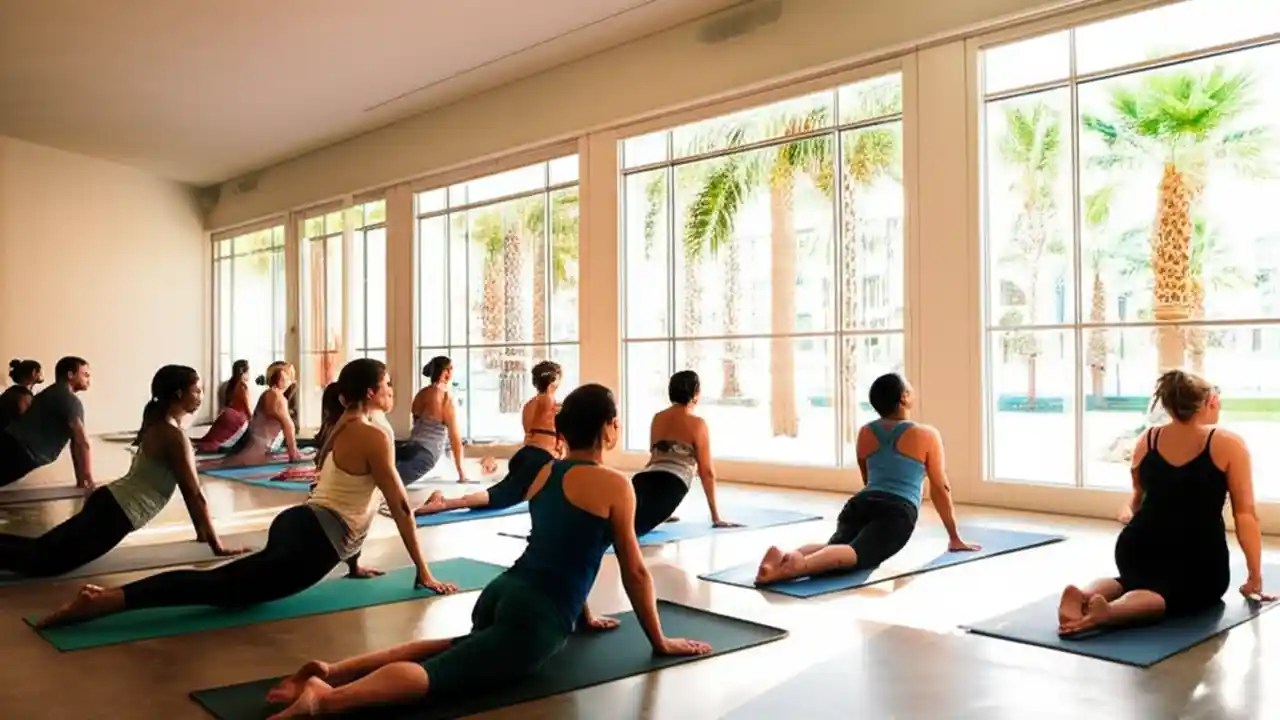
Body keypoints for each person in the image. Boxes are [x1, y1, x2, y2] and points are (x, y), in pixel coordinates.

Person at [260, 383, 711, 718]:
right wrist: (660, 641)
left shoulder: (544, 474)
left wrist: (586, 614)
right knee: (443, 675)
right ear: (609, 429)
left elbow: (565, 545)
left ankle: (333, 669)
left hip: (503, 591)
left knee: (456, 647)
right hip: (537, 617)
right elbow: (634, 571)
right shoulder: (616, 486)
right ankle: (326, 699)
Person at [34, 358, 458, 630]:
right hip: (313, 541)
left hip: (301, 524)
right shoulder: (373, 434)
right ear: (370, 392)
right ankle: (105, 601)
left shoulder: (346, 424)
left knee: (228, 585)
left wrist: (354, 564)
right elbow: (398, 505)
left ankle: (108, 599)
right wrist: (424, 571)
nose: (391, 390)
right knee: (221, 589)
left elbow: (346, 498)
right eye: (386, 384)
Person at [1057, 370, 1273, 636]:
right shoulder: (1228, 444)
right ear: (1210, 402)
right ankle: (1111, 613)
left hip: (1136, 547)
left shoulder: (1146, 440)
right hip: (1196, 556)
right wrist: (1254, 576)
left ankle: (1085, 593)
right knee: (1168, 596)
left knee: (1130, 581)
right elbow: (1245, 515)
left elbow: (1136, 503)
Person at [0, 366, 245, 577]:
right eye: (197, 390)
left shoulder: (160, 425)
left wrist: (203, 534)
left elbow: (190, 492)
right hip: (116, 512)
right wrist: (217, 545)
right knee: (42, 561)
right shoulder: (173, 436)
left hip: (110, 504)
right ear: (179, 394)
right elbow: (194, 493)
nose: (201, 396)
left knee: (42, 551)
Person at [755, 373, 979, 585]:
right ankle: (795, 567)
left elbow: (868, 479)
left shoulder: (865, 432)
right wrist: (954, 537)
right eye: (909, 389)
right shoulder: (927, 435)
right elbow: (941, 488)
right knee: (857, 555)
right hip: (897, 511)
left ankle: (785, 556)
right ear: (903, 398)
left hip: (860, 503)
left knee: (836, 547)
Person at [414, 360, 562, 516]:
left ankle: (444, 501)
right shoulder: (550, 402)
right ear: (554, 380)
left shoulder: (528, 405)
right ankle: (444, 503)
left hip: (526, 454)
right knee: (497, 497)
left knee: (501, 495)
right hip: (539, 458)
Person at [630, 370, 738, 533]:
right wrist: (716, 517)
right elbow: (706, 471)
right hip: (671, 485)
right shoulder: (697, 424)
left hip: (641, 480)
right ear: (695, 393)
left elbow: (656, 457)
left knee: (621, 520)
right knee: (631, 528)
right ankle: (660, 513)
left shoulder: (658, 418)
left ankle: (661, 513)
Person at [0, 356, 93, 490]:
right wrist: (88, 480)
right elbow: (82, 443)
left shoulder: (50, 393)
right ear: (70, 375)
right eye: (85, 375)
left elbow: (76, 444)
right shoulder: (68, 399)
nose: (88, 380)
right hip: (17, 451)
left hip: (13, 446)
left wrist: (81, 480)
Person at [207, 361, 303, 468]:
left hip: (251, 445)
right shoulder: (277, 397)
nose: (292, 380)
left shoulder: (268, 394)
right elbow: (288, 425)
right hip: (256, 451)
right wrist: (293, 453)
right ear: (281, 378)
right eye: (289, 376)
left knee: (224, 463)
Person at [394, 356, 466, 486]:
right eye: (451, 368)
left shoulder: (421, 394)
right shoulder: (446, 398)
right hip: (427, 454)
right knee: (387, 484)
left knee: (377, 478)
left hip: (411, 447)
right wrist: (462, 473)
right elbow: (455, 437)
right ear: (446, 372)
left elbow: (417, 422)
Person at [189, 359, 252, 453]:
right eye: (248, 372)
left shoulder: (226, 385)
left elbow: (222, 404)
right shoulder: (243, 387)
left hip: (225, 414)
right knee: (217, 445)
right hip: (237, 419)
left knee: (209, 440)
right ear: (244, 372)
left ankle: (188, 442)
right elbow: (247, 409)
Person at [0, 359, 43, 428]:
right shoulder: (23, 397)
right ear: (34, 372)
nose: (41, 374)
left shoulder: (10, 392)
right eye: (40, 371)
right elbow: (28, 423)